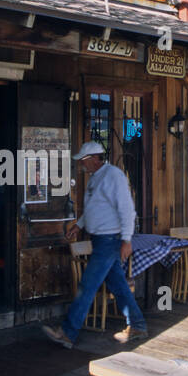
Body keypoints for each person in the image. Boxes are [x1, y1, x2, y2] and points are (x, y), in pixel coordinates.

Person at [43, 140, 148, 349]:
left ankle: (68, 332)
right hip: (101, 239)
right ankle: (137, 324)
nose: (81, 165)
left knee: (87, 285)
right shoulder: (95, 179)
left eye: (83, 161)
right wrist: (79, 225)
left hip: (109, 239)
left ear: (93, 159)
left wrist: (127, 239)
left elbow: (127, 210)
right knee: (118, 284)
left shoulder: (113, 176)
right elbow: (93, 208)